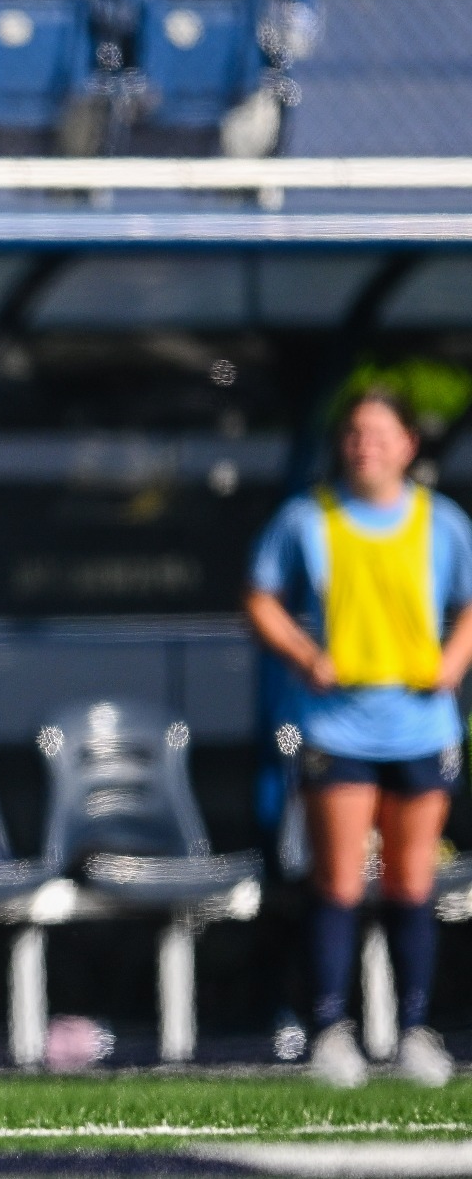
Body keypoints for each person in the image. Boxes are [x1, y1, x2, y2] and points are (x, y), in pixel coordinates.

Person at [244, 389, 472, 1092]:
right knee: (339, 879)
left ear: (408, 445)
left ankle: (414, 1030)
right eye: (353, 433)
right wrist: (305, 656)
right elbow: (261, 597)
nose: (363, 446)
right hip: (338, 726)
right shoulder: (308, 519)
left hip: (420, 725)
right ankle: (331, 1029)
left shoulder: (442, 522)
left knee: (410, 880)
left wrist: (452, 662)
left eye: (378, 433)